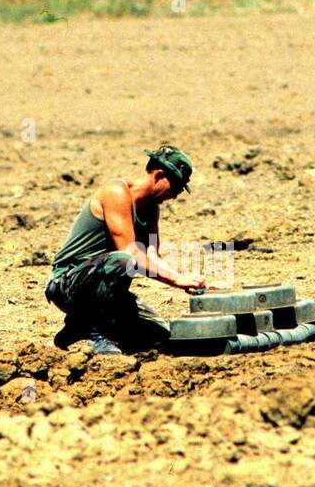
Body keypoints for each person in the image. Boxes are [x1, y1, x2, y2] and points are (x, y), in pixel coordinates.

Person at [45, 144, 206, 355]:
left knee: (159, 337)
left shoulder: (150, 209)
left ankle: (76, 329)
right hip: (68, 283)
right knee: (123, 261)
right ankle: (97, 334)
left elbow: (151, 256)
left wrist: (184, 278)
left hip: (104, 288)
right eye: (175, 187)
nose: (174, 196)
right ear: (159, 175)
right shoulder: (116, 193)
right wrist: (175, 281)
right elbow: (132, 253)